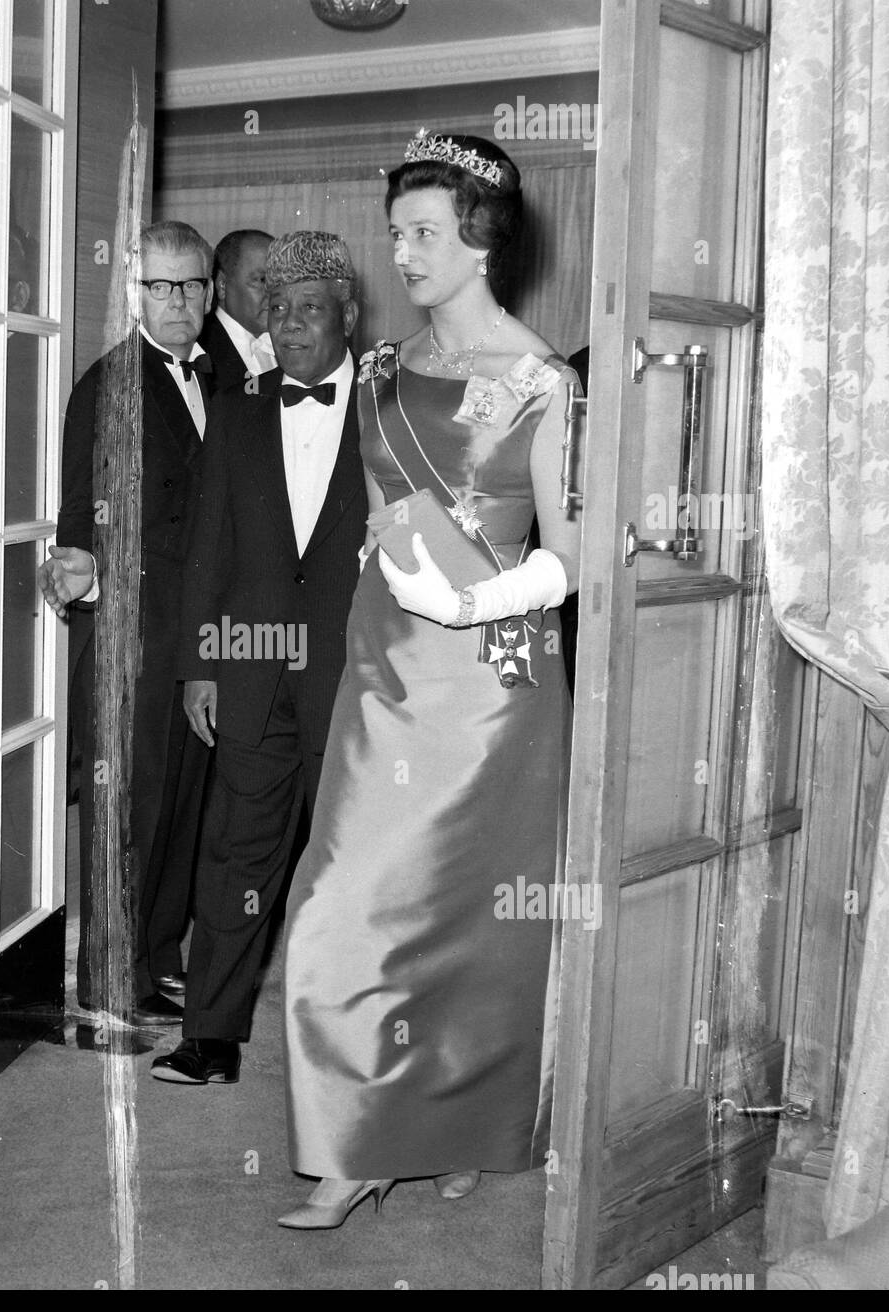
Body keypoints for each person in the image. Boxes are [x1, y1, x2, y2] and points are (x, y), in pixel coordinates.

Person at [278, 132, 581, 1229]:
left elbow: (572, 559)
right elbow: (378, 521)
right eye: (395, 231)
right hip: (383, 667)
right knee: (336, 903)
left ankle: (454, 1126)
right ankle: (356, 1139)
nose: (400, 252)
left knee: (468, 916)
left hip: (493, 681)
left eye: (422, 232)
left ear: (480, 241)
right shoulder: (377, 372)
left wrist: (466, 605)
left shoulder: (544, 383)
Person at [151, 232, 367, 1087]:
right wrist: (198, 665)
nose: (291, 324)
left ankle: (351, 1050)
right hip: (249, 666)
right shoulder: (237, 410)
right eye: (277, 308)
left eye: (310, 308)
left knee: (353, 859)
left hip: (354, 675)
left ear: (349, 315)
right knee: (236, 853)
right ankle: (210, 1034)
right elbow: (206, 548)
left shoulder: (390, 413)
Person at [38, 220, 214, 1024]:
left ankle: (157, 955)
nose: (178, 301)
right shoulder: (108, 383)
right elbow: (82, 507)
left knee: (181, 800)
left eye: (192, 285)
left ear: (210, 291)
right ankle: (110, 977)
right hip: (131, 628)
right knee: (129, 808)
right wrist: (79, 565)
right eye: (160, 286)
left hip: (196, 628)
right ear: (135, 294)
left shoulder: (219, 377)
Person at [200, 229, 276, 393]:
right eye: (262, 280)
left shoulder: (289, 344)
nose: (274, 292)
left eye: (279, 281)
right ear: (222, 285)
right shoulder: (198, 352)